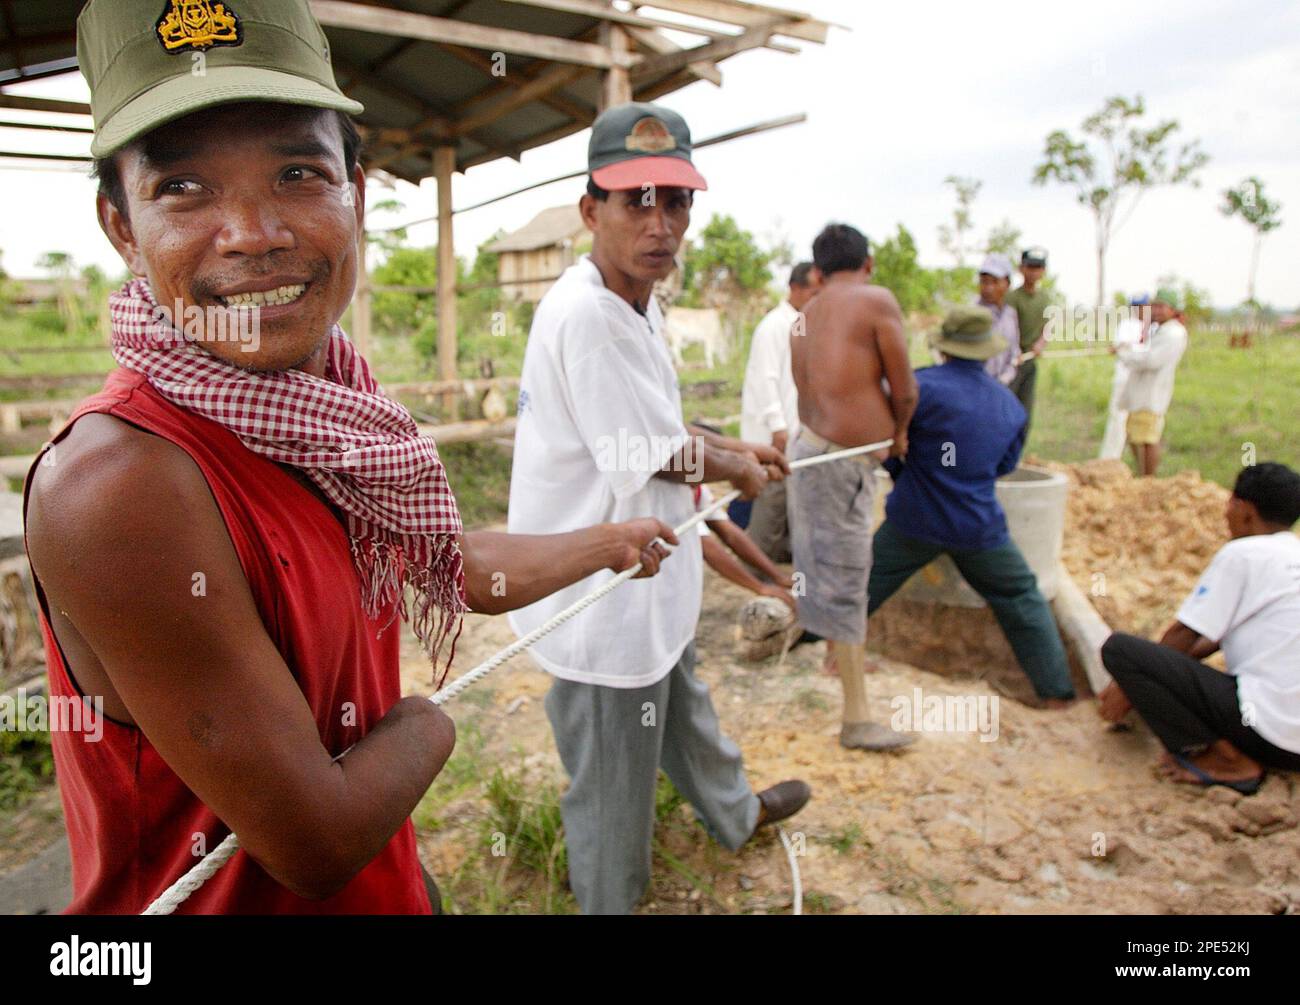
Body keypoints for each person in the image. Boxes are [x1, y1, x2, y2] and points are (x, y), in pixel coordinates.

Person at [21, 0, 678, 916]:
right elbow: (319, 836)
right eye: (184, 188)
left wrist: (612, 539)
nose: (252, 231)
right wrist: (423, 721)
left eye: (298, 171)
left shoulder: (335, 415)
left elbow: (453, 566)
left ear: (356, 197)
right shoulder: (118, 481)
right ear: (120, 225)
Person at [507, 101, 811, 915]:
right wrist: (737, 465)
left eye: (675, 201)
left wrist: (731, 449)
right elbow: (652, 452)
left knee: (683, 704)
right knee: (613, 787)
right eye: (635, 198)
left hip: (647, 580)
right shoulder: (592, 317)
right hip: (601, 594)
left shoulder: (636, 301)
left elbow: (662, 425)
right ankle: (612, 899)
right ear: (589, 210)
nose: (659, 221)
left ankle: (734, 811)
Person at [868, 307, 1076, 706]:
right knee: (1021, 597)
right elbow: (1004, 466)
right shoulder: (1010, 406)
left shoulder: (918, 389)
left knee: (860, 588)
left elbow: (891, 447)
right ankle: (1056, 693)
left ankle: (810, 644)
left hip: (914, 519)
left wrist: (908, 477)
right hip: (978, 527)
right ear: (986, 352)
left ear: (943, 349)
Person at [788, 223, 919, 750]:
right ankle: (857, 718)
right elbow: (905, 387)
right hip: (839, 459)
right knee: (842, 574)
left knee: (825, 566)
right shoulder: (875, 300)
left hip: (811, 449)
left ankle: (837, 658)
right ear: (868, 264)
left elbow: (806, 390)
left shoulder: (804, 315)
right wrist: (901, 431)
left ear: (817, 271)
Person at [1099, 463, 1300, 794]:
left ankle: (1227, 760)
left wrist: (1127, 686)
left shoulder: (1243, 554)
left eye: (1230, 504)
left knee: (1120, 649)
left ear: (1245, 511)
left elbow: (1182, 636)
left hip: (1273, 734)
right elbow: (1214, 639)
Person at [739, 261, 820, 562]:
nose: (816, 298)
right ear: (795, 289)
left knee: (789, 496)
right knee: (771, 498)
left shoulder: (802, 323)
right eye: (812, 291)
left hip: (796, 428)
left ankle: (778, 555)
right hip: (775, 433)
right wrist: (778, 427)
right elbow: (765, 378)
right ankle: (756, 562)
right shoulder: (774, 326)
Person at [1113, 287, 1188, 477]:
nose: (1155, 311)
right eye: (1153, 306)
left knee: (1147, 439)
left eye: (1161, 307)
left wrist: (1124, 354)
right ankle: (1143, 475)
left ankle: (1148, 478)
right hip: (1142, 392)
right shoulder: (1162, 330)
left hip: (1151, 394)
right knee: (1136, 436)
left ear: (1173, 309)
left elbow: (1151, 360)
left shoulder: (1173, 333)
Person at [696, 484, 797, 612]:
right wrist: (759, 587)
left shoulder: (695, 485)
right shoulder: (672, 494)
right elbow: (707, 546)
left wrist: (778, 576)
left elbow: (728, 531)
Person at [1099, 294, 1152, 460]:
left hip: (1145, 381)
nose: (1139, 310)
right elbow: (1123, 348)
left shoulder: (1154, 326)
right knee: (1118, 418)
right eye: (1135, 306)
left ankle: (1141, 464)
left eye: (1142, 306)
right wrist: (1122, 348)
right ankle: (1110, 459)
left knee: (1141, 423)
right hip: (1125, 377)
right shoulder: (1127, 325)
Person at [1005, 246, 1053, 426]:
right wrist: (1013, 350)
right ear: (1021, 269)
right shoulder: (1011, 298)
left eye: (1037, 268)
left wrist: (1041, 343)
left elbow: (1049, 326)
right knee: (1007, 406)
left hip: (1029, 362)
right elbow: (1008, 329)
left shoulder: (1045, 299)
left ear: (1043, 271)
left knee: (1025, 412)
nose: (1033, 272)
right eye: (1029, 267)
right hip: (1011, 363)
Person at [976, 253, 1020, 386]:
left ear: (1007, 283)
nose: (988, 288)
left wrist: (1005, 377)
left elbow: (1014, 352)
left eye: (995, 282)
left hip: (1001, 387)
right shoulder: (972, 313)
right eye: (984, 282)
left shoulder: (1010, 315)